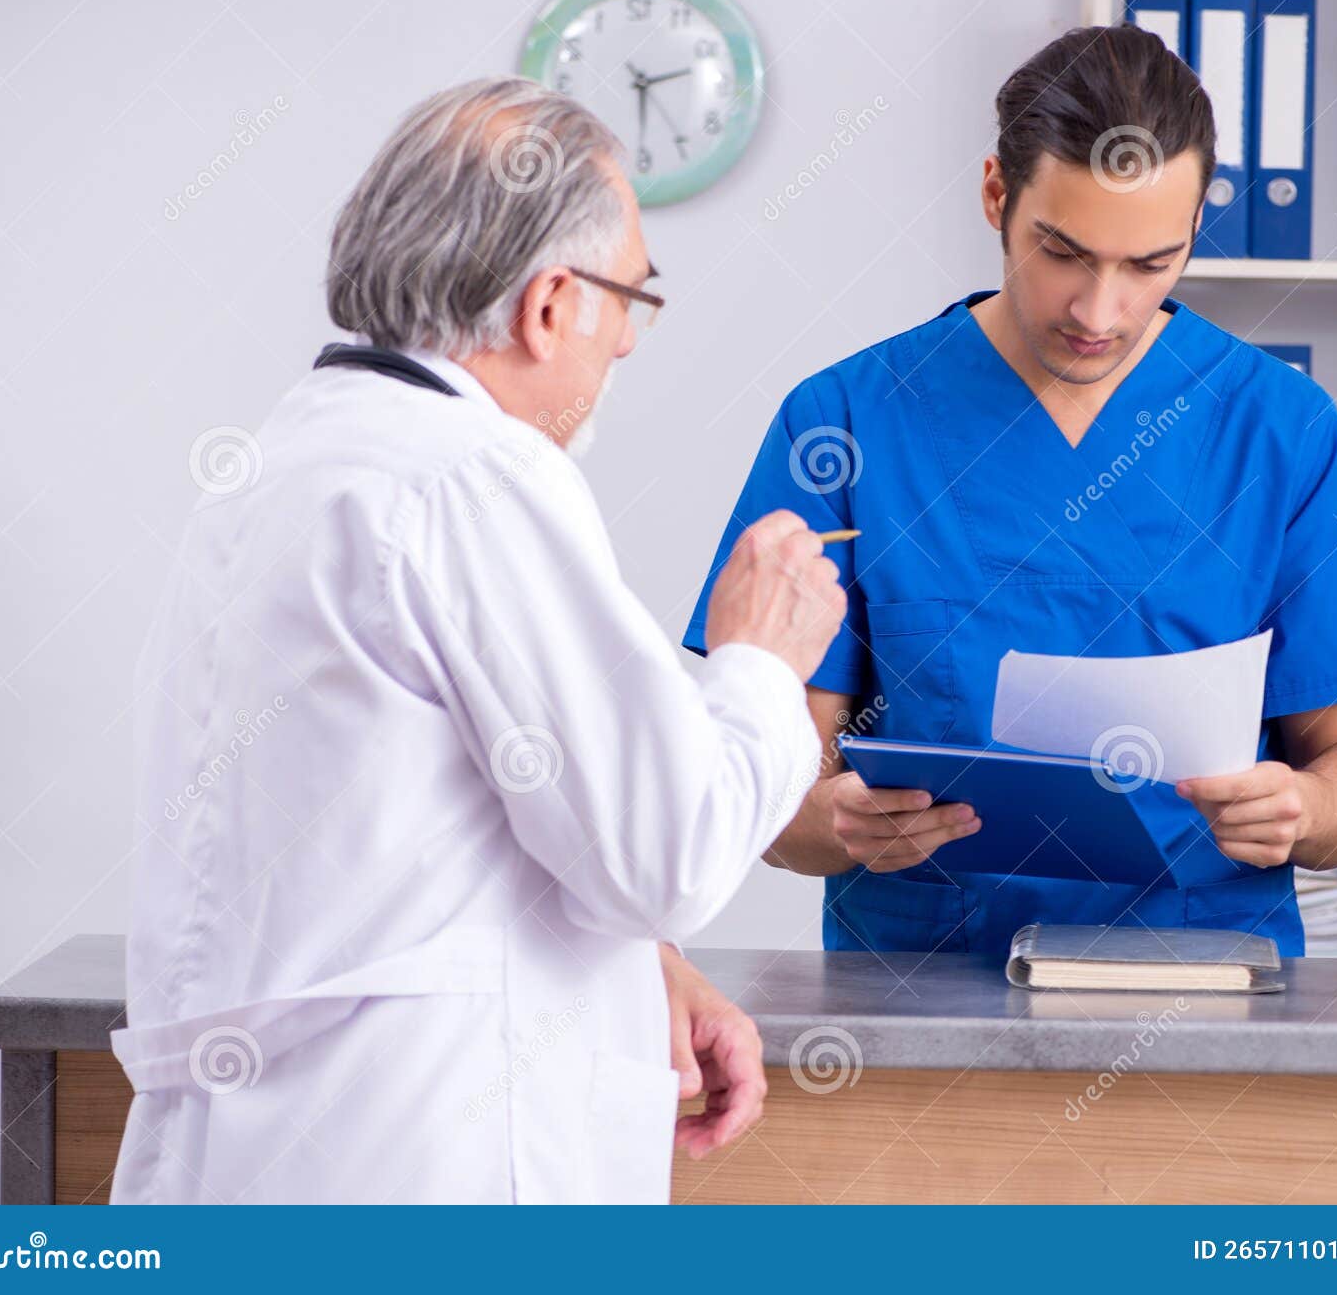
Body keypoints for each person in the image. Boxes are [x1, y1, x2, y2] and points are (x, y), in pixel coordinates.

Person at [109, 77, 846, 1204]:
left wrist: (636, 963)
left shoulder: (283, 466)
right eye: (632, 300)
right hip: (414, 1156)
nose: (629, 347)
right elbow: (670, 849)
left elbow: (390, 835)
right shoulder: (473, 476)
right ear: (553, 304)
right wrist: (761, 657)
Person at [685, 25, 1337, 958]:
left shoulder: (1280, 429)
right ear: (997, 193)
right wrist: (828, 820)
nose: (1099, 312)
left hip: (1206, 991)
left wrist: (1308, 807)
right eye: (1063, 252)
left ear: (1198, 225)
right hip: (918, 999)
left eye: (1148, 265)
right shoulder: (842, 424)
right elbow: (771, 785)